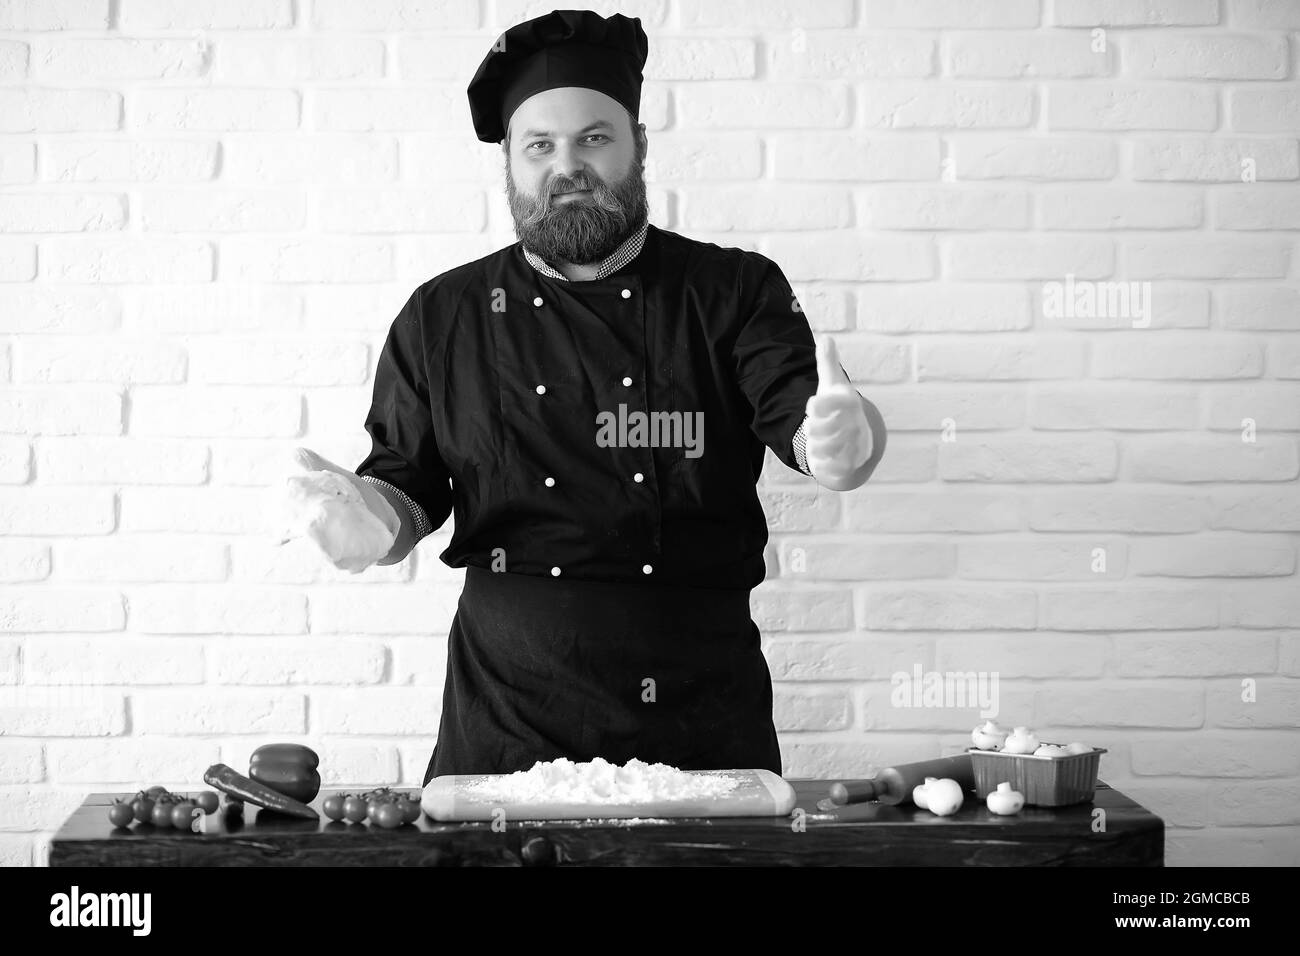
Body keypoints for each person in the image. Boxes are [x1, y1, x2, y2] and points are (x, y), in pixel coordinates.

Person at [289, 10, 886, 786]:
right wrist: (371, 521)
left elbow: (809, 416)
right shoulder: (444, 314)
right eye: (540, 145)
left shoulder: (733, 289)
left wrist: (846, 442)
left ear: (639, 142)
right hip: (508, 706)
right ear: (510, 158)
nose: (567, 165)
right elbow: (407, 485)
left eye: (594, 138)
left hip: (700, 705)